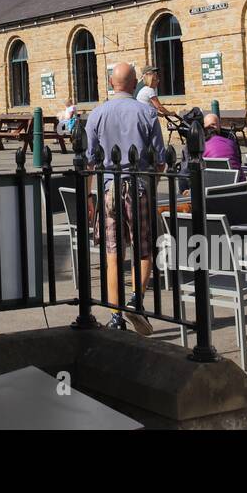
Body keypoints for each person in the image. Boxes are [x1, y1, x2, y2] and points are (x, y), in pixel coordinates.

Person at [83, 62, 165, 335]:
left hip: (108, 189)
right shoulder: (147, 113)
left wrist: (88, 196)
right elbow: (160, 160)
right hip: (138, 186)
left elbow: (89, 162)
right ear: (134, 84)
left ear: (111, 83)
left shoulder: (96, 114)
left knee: (112, 253)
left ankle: (116, 316)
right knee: (143, 250)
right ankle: (136, 300)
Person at [201, 113, 245, 182]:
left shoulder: (230, 136)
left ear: (219, 125)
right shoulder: (230, 141)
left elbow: (238, 159)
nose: (211, 127)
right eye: (209, 126)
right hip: (238, 182)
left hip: (215, 182)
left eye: (213, 124)